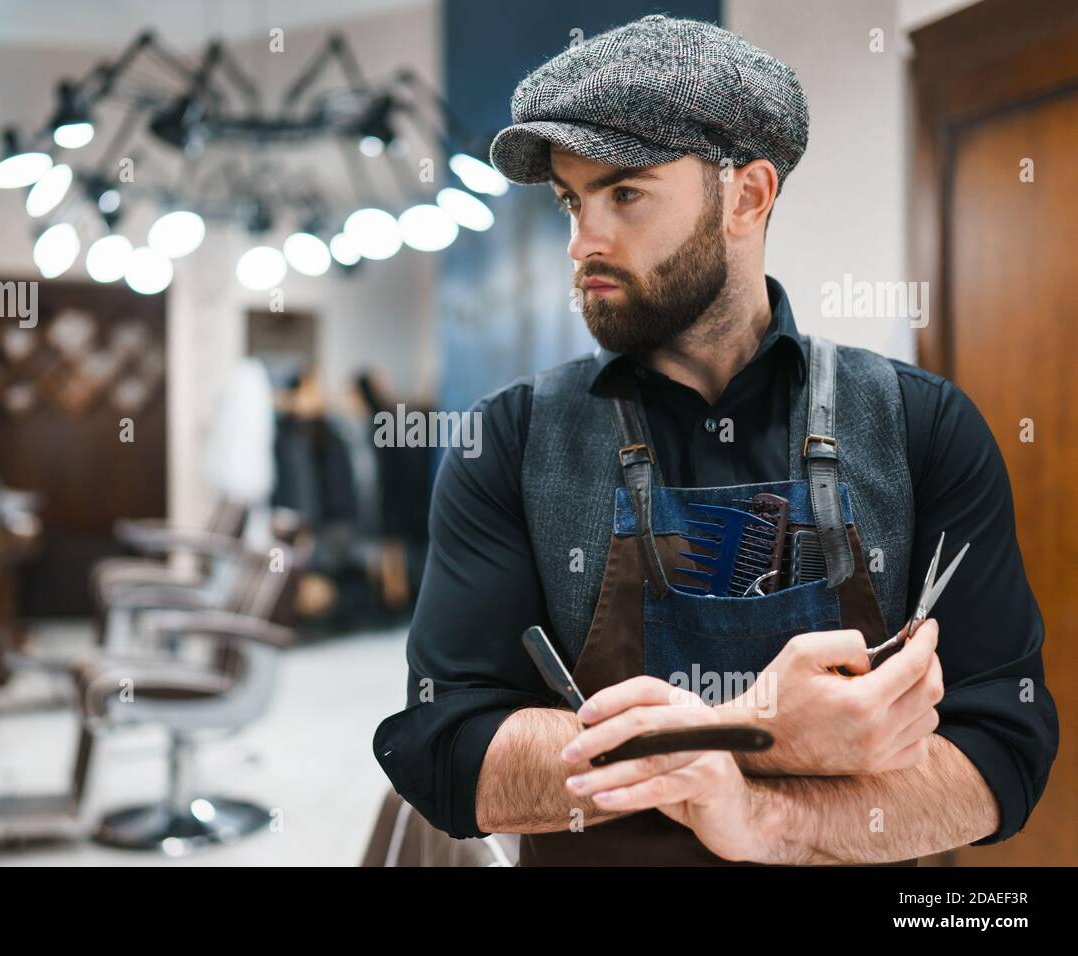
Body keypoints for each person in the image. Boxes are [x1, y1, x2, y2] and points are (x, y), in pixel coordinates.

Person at [372, 14, 1058, 866]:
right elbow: (443, 749)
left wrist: (766, 818)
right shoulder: (510, 444)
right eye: (570, 202)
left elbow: (1003, 754)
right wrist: (754, 730)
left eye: (625, 194)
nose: (583, 242)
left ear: (748, 195)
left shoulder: (922, 427)